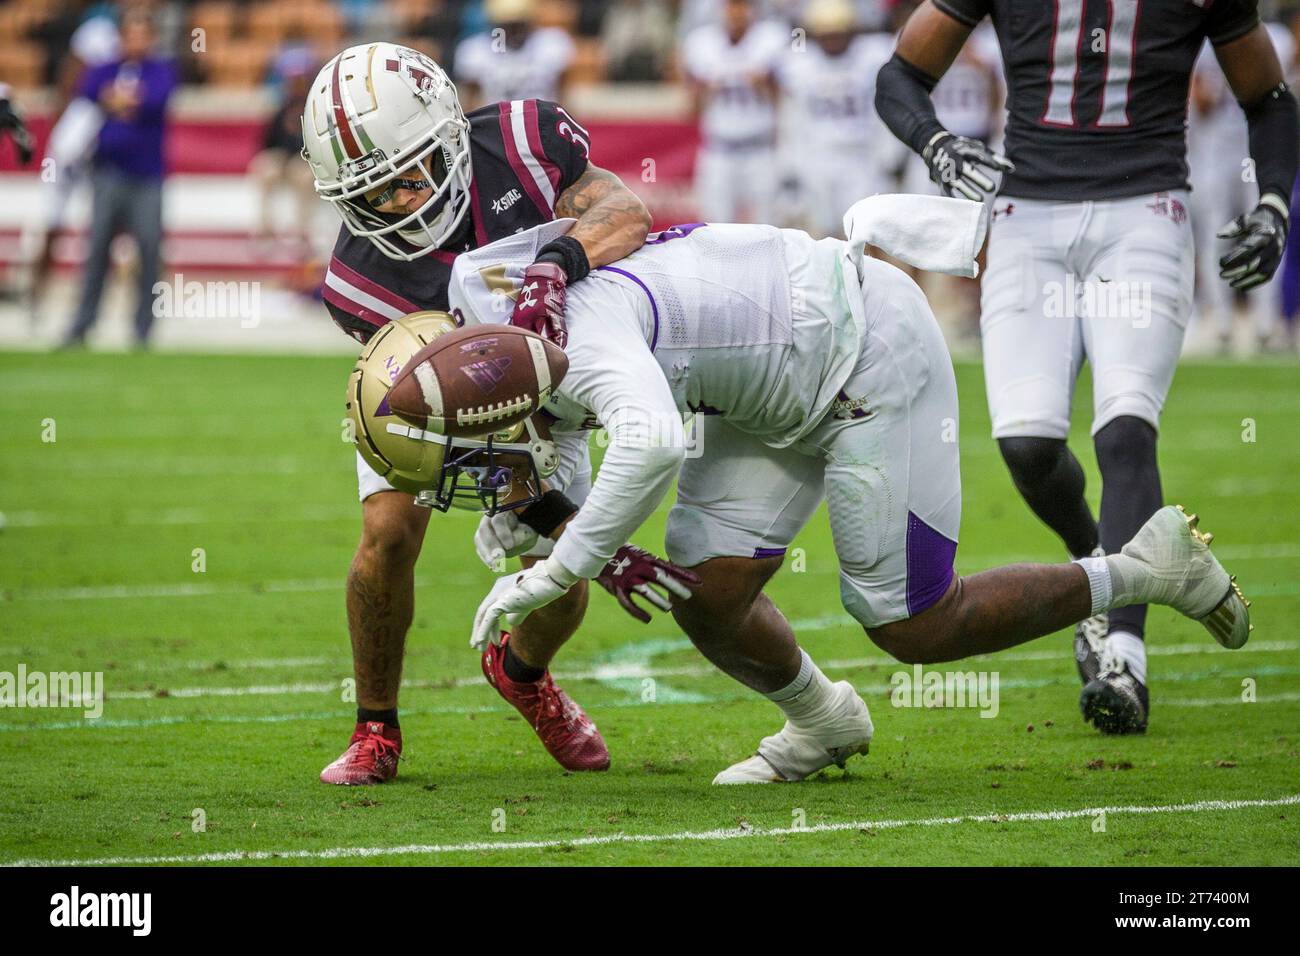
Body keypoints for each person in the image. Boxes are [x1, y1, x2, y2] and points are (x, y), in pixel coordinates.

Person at [421, 198, 1252, 785]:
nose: (489, 474)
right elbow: (560, 466)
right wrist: (544, 524)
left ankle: (1145, 569)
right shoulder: (499, 327)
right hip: (764, 377)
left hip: (862, 352)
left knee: (911, 623)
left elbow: (652, 441)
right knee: (706, 595)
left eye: (479, 457)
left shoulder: (577, 347)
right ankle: (825, 721)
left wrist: (562, 568)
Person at [874, 0, 1297, 733]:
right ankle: (1099, 563)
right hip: (1025, 215)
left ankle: (1125, 657)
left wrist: (1274, 203)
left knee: (1125, 429)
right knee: (1027, 446)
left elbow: (1269, 97)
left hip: (1145, 211)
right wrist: (935, 142)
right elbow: (901, 76)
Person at [300, 42, 656, 784]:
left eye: (410, 176)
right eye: (374, 194)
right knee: (387, 533)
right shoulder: (359, 281)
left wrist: (557, 264)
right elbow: (448, 425)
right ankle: (374, 727)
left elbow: (627, 213)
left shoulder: (523, 142)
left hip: (555, 382)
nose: (399, 203)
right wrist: (541, 505)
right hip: (427, 401)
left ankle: (522, 672)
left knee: (562, 583)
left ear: (448, 134)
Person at [62, 7, 177, 348]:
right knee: (97, 248)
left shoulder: (161, 69)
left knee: (149, 248)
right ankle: (83, 322)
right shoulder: (106, 68)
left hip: (147, 176)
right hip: (108, 173)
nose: (136, 41)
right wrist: (118, 99)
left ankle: (143, 328)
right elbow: (86, 90)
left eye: (142, 34)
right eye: (131, 34)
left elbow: (155, 100)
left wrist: (116, 99)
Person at [774, 0, 895, 237]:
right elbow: (792, 119)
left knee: (863, 232)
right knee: (822, 233)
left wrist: (888, 156)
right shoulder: (800, 64)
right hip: (818, 156)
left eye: (838, 34)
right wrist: (790, 166)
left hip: (860, 156)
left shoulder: (871, 56)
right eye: (826, 35)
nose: (833, 41)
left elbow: (882, 109)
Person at [681, 0, 788, 223]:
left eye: (742, 5)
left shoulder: (771, 38)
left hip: (760, 148)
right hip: (719, 149)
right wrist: (704, 88)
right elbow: (690, 108)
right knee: (715, 226)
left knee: (768, 225)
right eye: (732, 6)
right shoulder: (702, 42)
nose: (737, 13)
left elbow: (785, 98)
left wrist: (764, 84)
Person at [453, 0, 575, 110]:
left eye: (518, 25)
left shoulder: (552, 43)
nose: (513, 31)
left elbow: (564, 94)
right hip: (494, 122)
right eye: (508, 26)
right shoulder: (475, 49)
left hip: (543, 120)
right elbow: (470, 102)